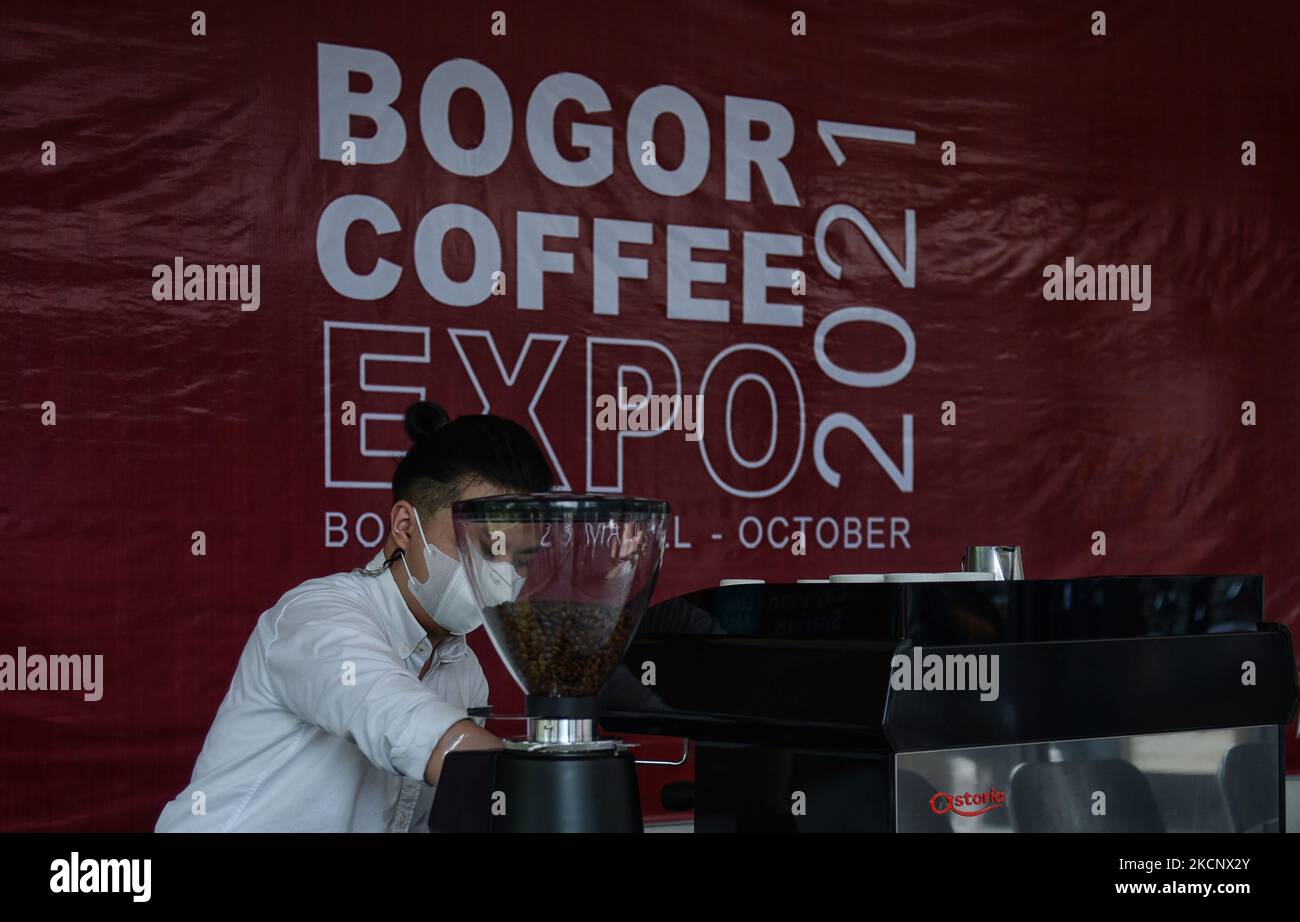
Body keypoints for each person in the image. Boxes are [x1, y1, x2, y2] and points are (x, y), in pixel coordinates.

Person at [156, 401, 553, 832]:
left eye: (522, 558)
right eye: (486, 547)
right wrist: (554, 793)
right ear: (405, 526)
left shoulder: (465, 672)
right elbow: (398, 719)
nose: (502, 573)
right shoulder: (318, 616)